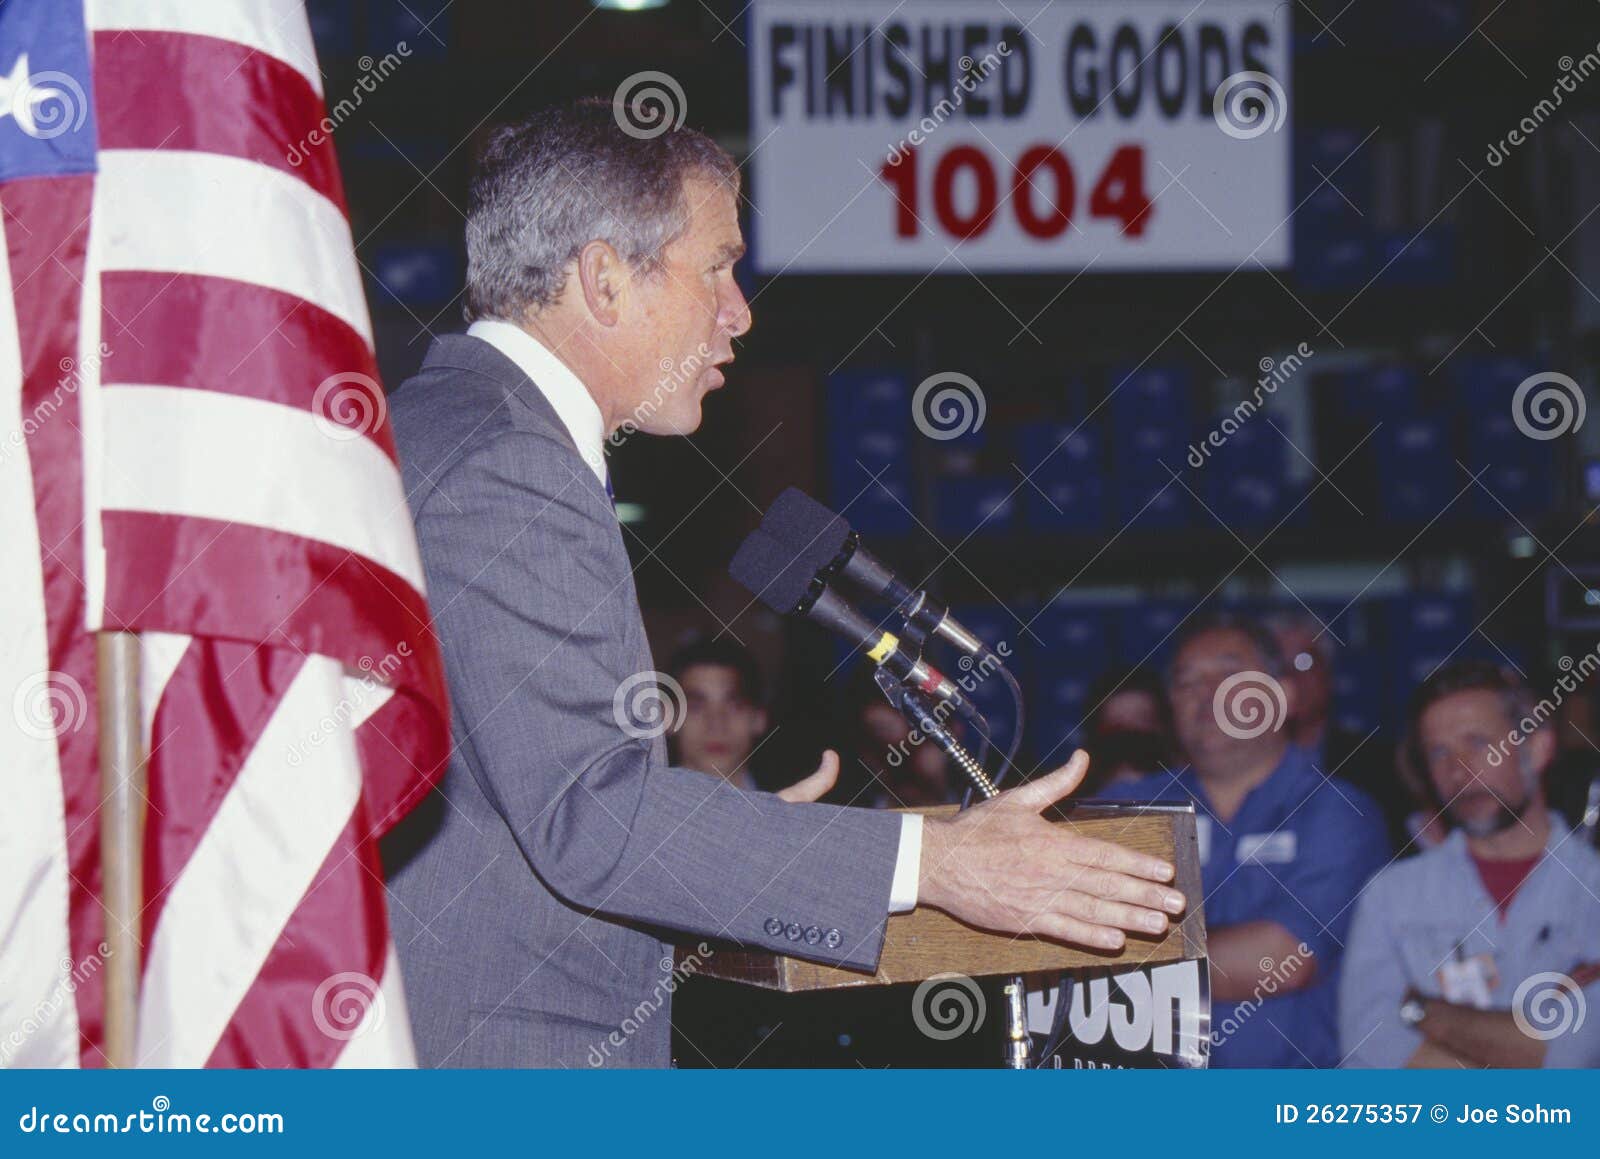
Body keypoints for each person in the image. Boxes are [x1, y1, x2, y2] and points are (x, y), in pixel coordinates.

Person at [380, 100, 1186, 1067]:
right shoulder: (509, 461)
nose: (740, 312)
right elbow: (588, 816)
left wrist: (742, 846)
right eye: (717, 266)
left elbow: (508, 804)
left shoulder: (443, 423)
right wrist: (938, 861)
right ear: (602, 278)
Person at [1119, 612, 1389, 1067]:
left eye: (1227, 675)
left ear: (1281, 695)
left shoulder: (1338, 812)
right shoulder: (1131, 809)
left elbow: (1282, 960)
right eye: (1187, 683)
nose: (1206, 696)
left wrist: (1121, 951)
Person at [1340, 661, 1600, 1068]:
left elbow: (1575, 1053)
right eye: (1439, 752)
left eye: (1478, 743)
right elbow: (1372, 1048)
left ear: (1537, 748)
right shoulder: (1392, 895)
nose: (1457, 770)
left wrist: (1425, 1012)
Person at [1267, 613, 1409, 851]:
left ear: (1329, 675)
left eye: (1304, 662)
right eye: (1278, 666)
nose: (1291, 677)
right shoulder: (1233, 767)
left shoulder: (1381, 766)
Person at [666, 637, 768, 790]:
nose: (717, 725)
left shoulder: (793, 809)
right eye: (696, 707)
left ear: (759, 718)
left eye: (735, 706)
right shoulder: (633, 810)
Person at [1080, 666, 1174, 795]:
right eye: (1116, 725)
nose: (1130, 736)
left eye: (1143, 720)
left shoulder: (1198, 797)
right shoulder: (1067, 807)